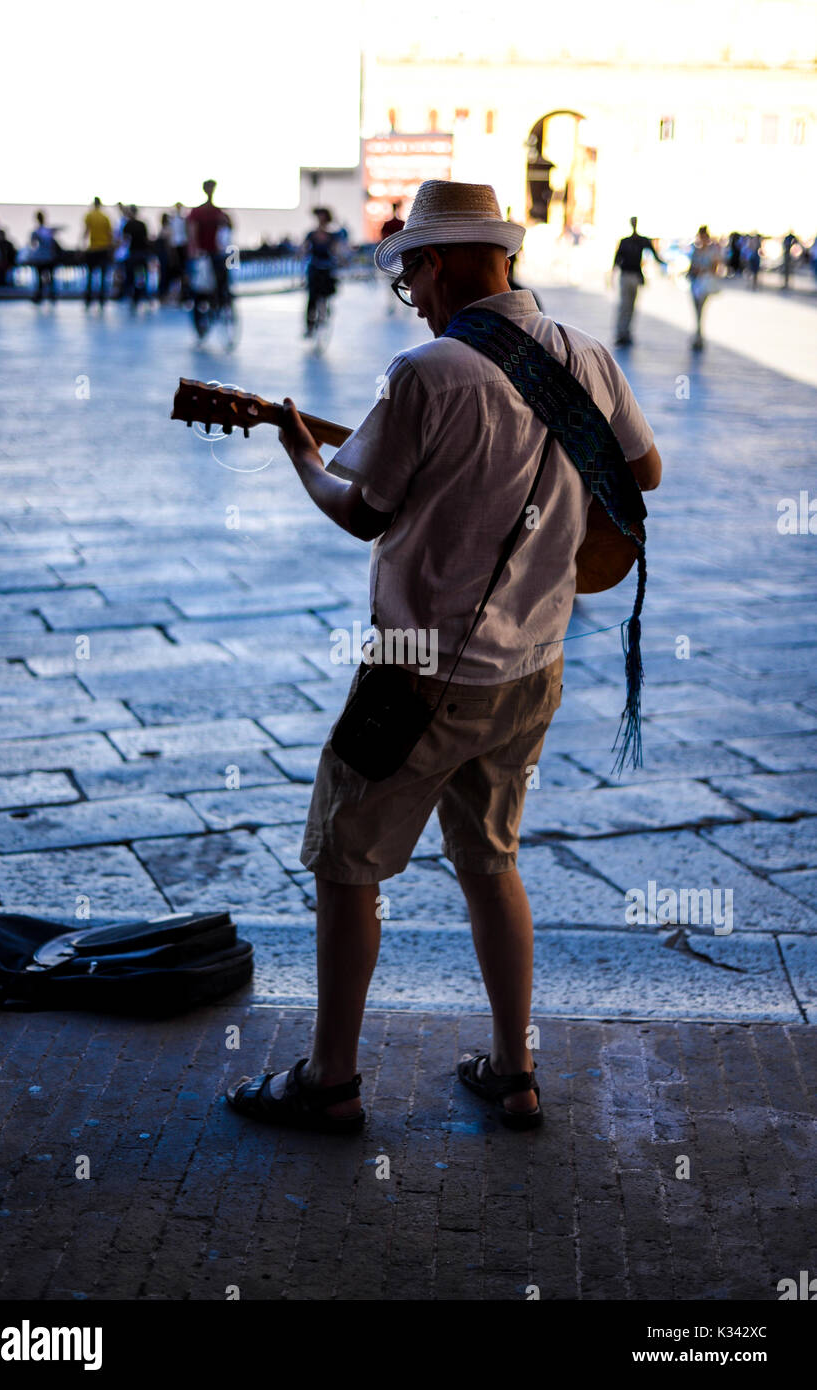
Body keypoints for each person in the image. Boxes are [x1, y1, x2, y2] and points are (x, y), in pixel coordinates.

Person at [225, 179, 662, 1134]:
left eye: (411, 274)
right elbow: (645, 473)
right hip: (533, 665)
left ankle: (330, 1083)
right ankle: (515, 1072)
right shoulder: (585, 354)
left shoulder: (424, 373)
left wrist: (303, 457)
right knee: (491, 860)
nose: (411, 298)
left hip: (418, 669)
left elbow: (364, 509)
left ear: (435, 263)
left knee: (348, 864)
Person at [186, 179, 233, 335]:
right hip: (202, 255)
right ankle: (200, 321)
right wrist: (196, 251)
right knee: (199, 290)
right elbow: (192, 233)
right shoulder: (198, 212)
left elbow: (226, 232)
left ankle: (219, 305)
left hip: (215, 254)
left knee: (222, 282)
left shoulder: (218, 212)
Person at [611, 216, 666, 346]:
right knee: (625, 305)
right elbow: (617, 260)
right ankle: (621, 332)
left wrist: (665, 264)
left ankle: (626, 332)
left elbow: (654, 255)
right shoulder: (626, 241)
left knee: (630, 305)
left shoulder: (641, 241)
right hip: (626, 275)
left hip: (635, 276)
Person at [302, 206, 341, 337]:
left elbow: (337, 251)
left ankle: (324, 314)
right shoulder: (311, 234)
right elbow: (304, 249)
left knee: (325, 295)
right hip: (314, 268)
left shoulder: (332, 236)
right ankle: (309, 326)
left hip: (327, 268)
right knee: (312, 298)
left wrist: (340, 259)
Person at [688, 225, 722, 350]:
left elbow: (715, 267)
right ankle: (698, 335)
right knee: (697, 311)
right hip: (695, 283)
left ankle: (699, 336)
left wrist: (704, 270)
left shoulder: (711, 251)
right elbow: (691, 267)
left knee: (701, 311)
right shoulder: (696, 250)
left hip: (704, 284)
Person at [82, 195, 114, 309]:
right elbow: (110, 234)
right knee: (103, 275)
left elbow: (86, 231)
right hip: (104, 249)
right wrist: (111, 248)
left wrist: (82, 245)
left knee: (90, 275)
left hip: (93, 248)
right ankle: (101, 298)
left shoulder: (89, 216)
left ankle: (89, 298)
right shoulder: (105, 217)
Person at [121, 205, 150, 309]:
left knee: (132, 276)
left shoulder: (128, 225)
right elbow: (147, 239)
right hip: (142, 253)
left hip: (133, 253)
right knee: (142, 276)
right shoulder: (142, 224)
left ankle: (134, 296)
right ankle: (142, 295)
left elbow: (124, 240)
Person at [30, 210, 60, 304]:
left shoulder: (36, 232)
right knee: (50, 277)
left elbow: (33, 245)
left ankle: (39, 296)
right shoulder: (48, 231)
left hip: (40, 258)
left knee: (40, 278)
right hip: (49, 258)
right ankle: (52, 295)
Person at [168, 202, 189, 298]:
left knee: (183, 270)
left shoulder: (183, 220)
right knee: (176, 271)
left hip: (182, 246)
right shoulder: (173, 220)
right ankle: (176, 292)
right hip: (176, 247)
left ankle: (183, 292)